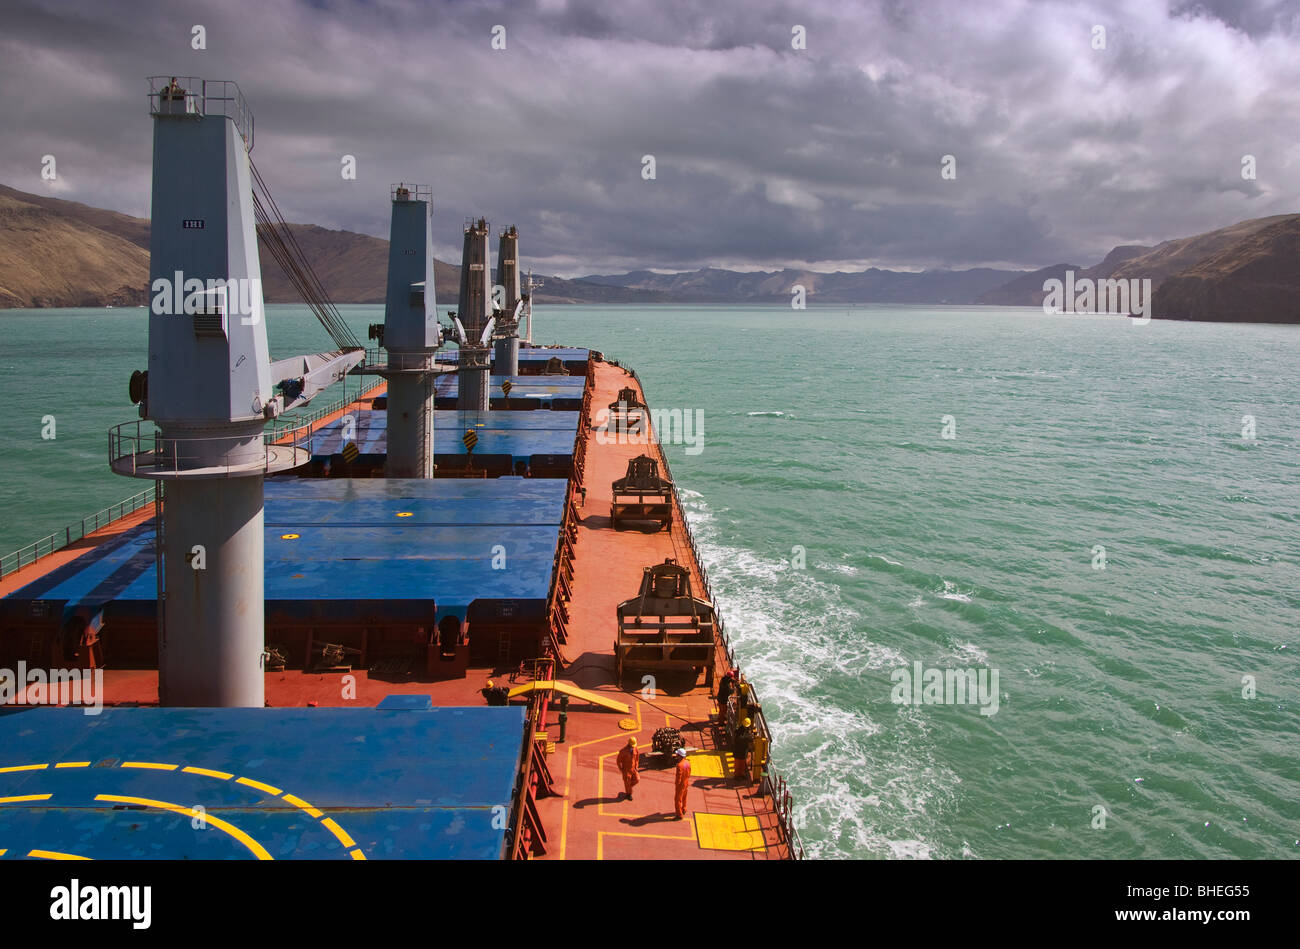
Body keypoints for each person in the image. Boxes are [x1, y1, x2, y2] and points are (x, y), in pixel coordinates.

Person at [615, 736, 639, 801]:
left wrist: (636, 766)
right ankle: (628, 794)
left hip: (633, 768)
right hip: (626, 770)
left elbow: (637, 758)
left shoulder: (635, 749)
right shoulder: (623, 751)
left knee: (637, 779)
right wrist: (621, 769)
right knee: (627, 783)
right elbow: (618, 761)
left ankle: (629, 787)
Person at [733, 717, 754, 783]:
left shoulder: (746, 730)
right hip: (738, 750)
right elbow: (740, 739)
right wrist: (749, 737)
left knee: (742, 763)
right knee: (738, 764)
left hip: (743, 750)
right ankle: (736, 776)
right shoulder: (739, 731)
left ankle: (741, 774)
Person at [673, 747, 691, 820]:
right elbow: (689, 772)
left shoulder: (679, 765)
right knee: (684, 797)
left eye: (677, 754)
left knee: (677, 800)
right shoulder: (687, 763)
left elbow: (678, 777)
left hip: (680, 785)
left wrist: (677, 785)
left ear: (680, 756)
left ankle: (679, 815)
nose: (676, 755)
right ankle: (684, 808)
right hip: (686, 782)